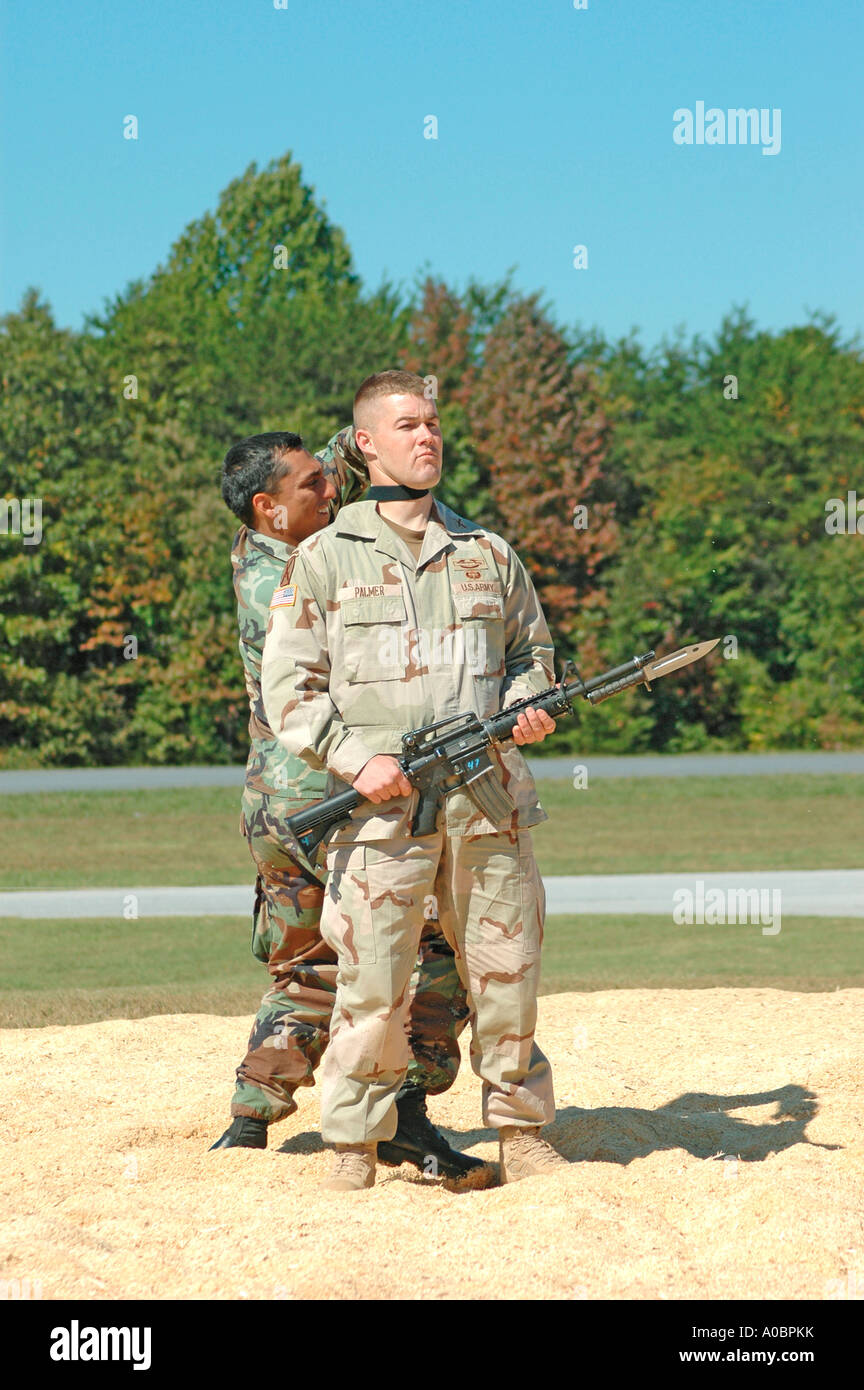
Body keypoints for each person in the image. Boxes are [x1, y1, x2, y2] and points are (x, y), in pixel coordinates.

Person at [261, 370, 569, 1191]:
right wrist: (356, 758)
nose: (426, 436)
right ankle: (352, 1147)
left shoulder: (487, 553)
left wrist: (529, 707)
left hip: (487, 803)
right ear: (367, 443)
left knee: (506, 972)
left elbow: (531, 659)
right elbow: (288, 687)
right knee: (373, 980)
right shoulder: (323, 556)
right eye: (407, 424)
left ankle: (523, 1131)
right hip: (380, 812)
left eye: (432, 423)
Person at [211, 426, 483, 1181]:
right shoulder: (306, 575)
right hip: (341, 794)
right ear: (270, 508)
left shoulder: (258, 543)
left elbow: (333, 460)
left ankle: (250, 1118)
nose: (330, 490)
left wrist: (376, 427)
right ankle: (410, 1113)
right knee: (422, 955)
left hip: (275, 803)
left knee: (306, 966)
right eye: (312, 487)